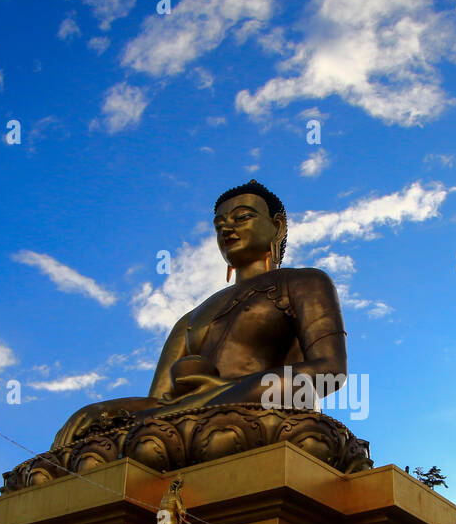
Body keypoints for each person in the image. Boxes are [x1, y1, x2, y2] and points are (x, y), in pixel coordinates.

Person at [51, 180, 349, 448]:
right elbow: (161, 400)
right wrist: (102, 412)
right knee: (119, 438)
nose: (227, 229)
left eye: (242, 217)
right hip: (185, 425)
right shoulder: (191, 319)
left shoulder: (304, 282)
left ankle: (184, 418)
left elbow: (329, 371)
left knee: (291, 413)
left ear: (277, 226)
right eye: (219, 225)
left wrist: (231, 390)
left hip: (269, 414)